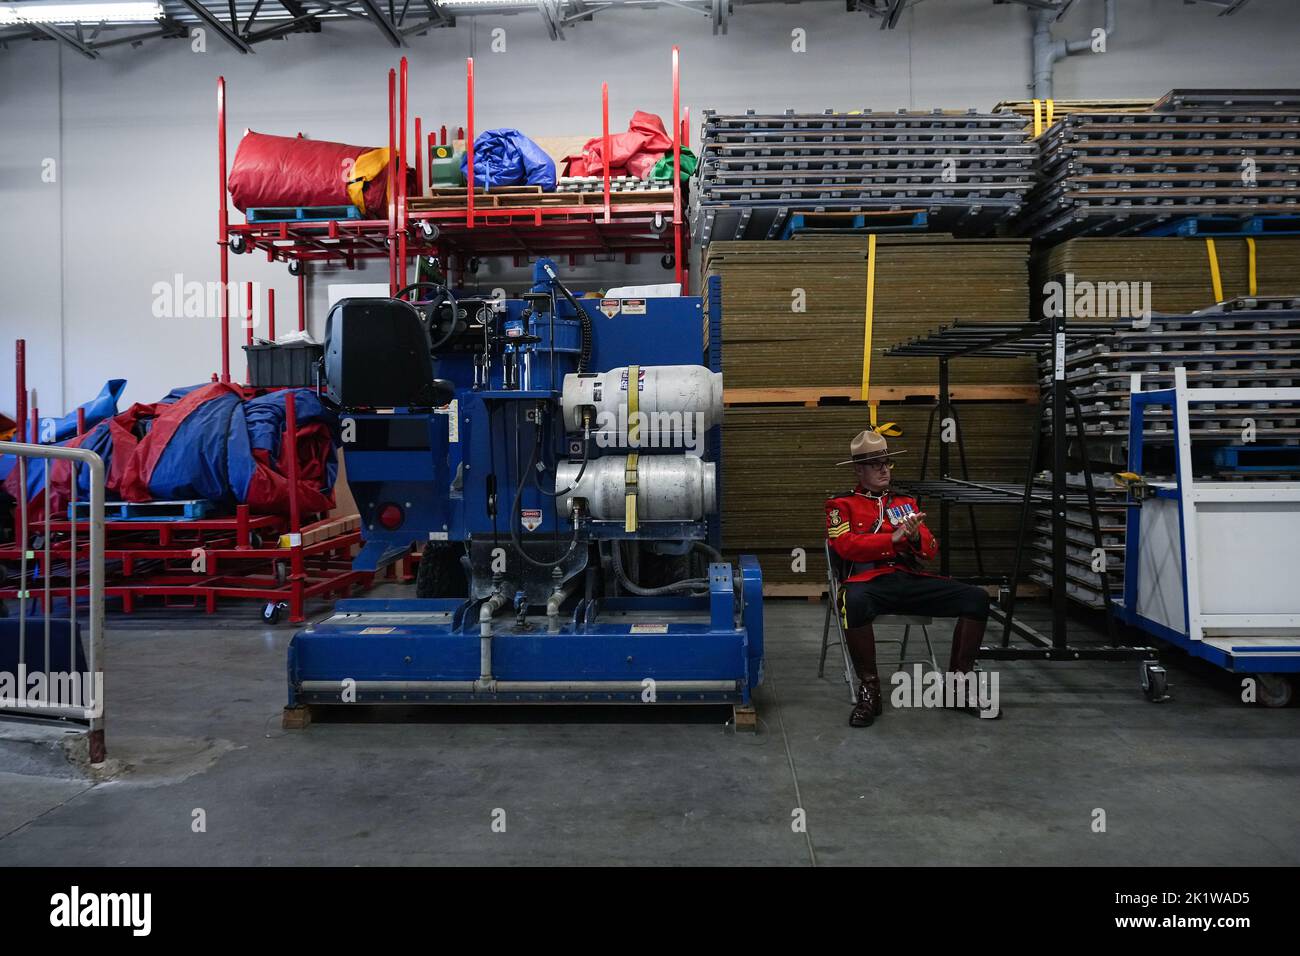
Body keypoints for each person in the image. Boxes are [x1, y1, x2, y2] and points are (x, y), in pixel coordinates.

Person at [825, 429, 992, 727]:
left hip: (906, 579)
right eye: (876, 464)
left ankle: (958, 687)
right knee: (852, 600)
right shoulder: (841, 505)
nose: (884, 469)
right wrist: (894, 538)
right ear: (859, 470)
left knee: (975, 598)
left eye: (887, 463)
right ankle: (870, 690)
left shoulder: (905, 503)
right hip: (866, 584)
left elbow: (930, 549)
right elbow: (845, 546)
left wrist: (914, 539)